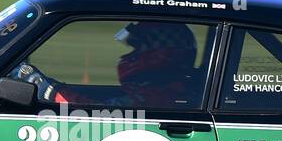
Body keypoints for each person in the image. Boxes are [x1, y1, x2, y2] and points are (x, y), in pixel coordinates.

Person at [15, 21, 198, 106]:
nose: (129, 56)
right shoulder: (168, 89)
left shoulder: (157, 96)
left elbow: (95, 113)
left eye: (136, 48)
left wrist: (40, 84)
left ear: (160, 54)